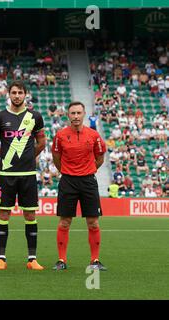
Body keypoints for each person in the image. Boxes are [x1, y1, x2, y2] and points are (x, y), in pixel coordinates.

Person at [0, 81, 46, 271]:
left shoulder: (35, 116)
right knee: (3, 214)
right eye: (13, 92)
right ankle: (1, 259)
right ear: (8, 94)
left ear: (25, 94)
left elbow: (41, 142)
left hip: (28, 174)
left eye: (20, 92)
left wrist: (29, 157)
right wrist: (6, 157)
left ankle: (32, 259)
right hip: (6, 174)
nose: (16, 96)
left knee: (30, 214)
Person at [51, 101, 107, 271]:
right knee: (65, 222)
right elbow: (56, 157)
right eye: (72, 113)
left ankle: (95, 260)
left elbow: (100, 158)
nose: (75, 116)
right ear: (68, 115)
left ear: (83, 114)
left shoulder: (94, 135)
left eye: (78, 113)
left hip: (88, 181)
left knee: (93, 223)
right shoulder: (60, 135)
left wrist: (88, 170)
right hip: (68, 181)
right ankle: (61, 260)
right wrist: (66, 172)